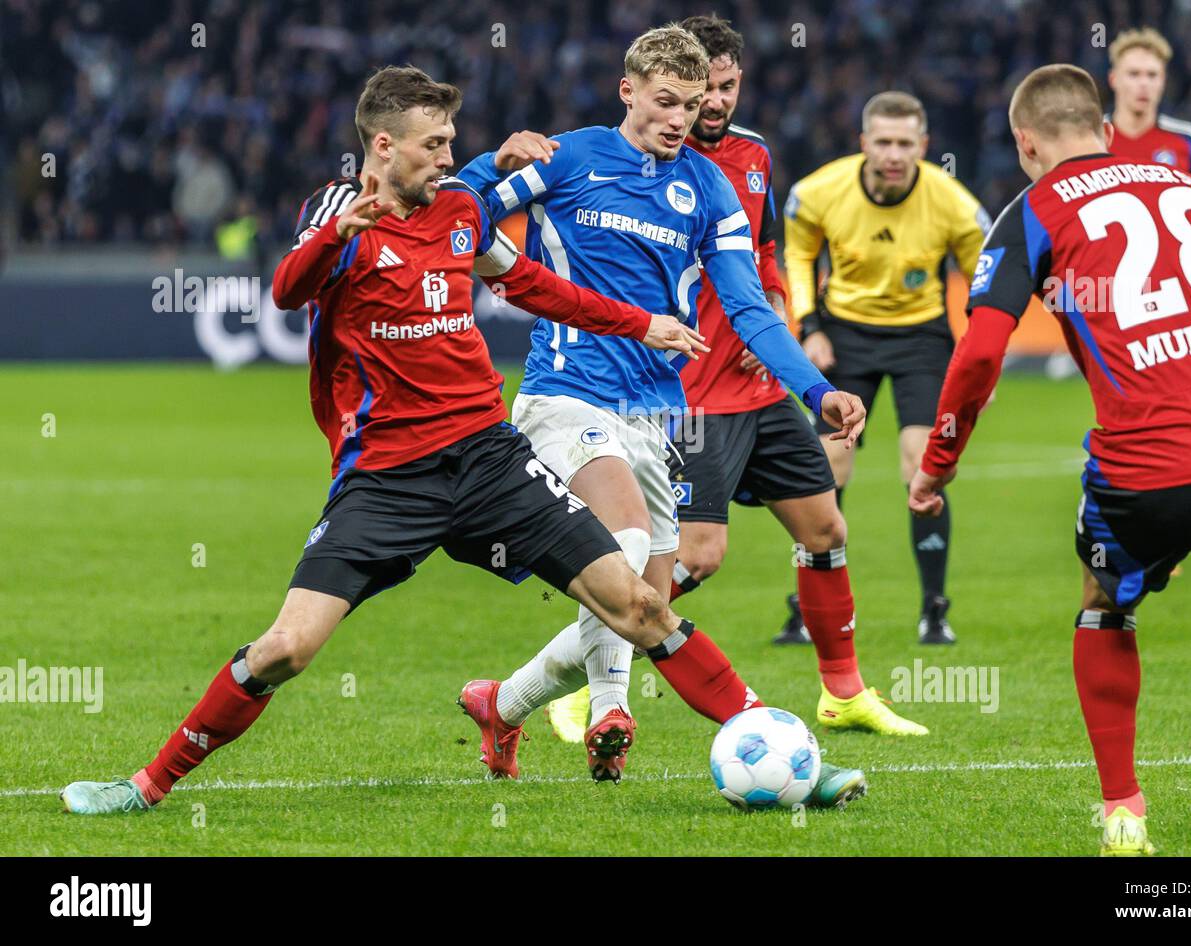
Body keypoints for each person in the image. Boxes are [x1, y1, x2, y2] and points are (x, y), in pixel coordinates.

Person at [57, 64, 759, 815]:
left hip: (491, 458)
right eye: (436, 144)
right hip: (388, 475)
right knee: (285, 649)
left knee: (641, 605)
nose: (451, 158)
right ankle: (146, 785)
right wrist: (336, 237)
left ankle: (770, 742)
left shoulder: (459, 210)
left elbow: (526, 283)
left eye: (452, 140)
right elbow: (289, 289)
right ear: (384, 146)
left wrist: (638, 321)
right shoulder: (337, 208)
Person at [455, 24, 870, 800]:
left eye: (693, 103)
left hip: (659, 414)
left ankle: (501, 704)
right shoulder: (568, 156)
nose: (681, 117)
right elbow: (458, 215)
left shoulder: (709, 189)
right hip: (566, 392)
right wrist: (491, 165)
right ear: (629, 91)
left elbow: (746, 306)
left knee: (642, 603)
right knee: (628, 543)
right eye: (667, 101)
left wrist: (818, 391)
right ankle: (739, 735)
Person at [908, 64, 1191, 855]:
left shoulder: (1032, 211)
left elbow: (981, 353)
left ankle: (1124, 811)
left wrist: (939, 461)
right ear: (1106, 129)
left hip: (1144, 471)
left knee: (1105, 601)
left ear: (1026, 144)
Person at [539, 14, 924, 740]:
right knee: (699, 557)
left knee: (824, 527)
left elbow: (766, 253)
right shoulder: (636, 165)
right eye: (696, 93)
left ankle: (842, 691)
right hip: (690, 394)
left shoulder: (751, 159)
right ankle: (583, 675)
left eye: (723, 89)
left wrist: (778, 307)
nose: (709, 105)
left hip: (760, 385)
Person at [782, 91, 989, 644]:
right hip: (844, 334)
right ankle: (806, 607)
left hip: (923, 337)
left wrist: (978, 363)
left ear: (923, 146)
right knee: (828, 468)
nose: (894, 154)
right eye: (883, 142)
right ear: (864, 144)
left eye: (905, 143)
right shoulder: (817, 193)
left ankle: (934, 611)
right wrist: (810, 327)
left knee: (923, 466)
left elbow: (984, 290)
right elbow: (799, 255)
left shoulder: (956, 206)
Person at [1106, 27, 1191, 185]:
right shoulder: (1090, 139)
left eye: (1152, 75)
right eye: (1134, 74)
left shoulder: (1189, 140)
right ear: (1113, 79)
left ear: (1163, 80)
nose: (1144, 84)